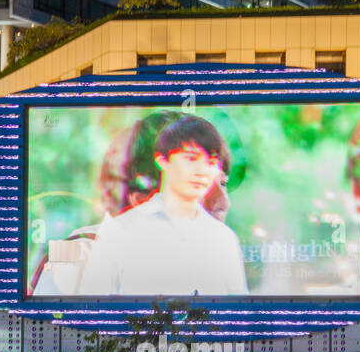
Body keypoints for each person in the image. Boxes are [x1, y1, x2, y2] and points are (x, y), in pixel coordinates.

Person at [78, 114, 248, 296]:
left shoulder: (223, 238)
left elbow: (239, 315)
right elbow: (92, 311)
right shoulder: (120, 230)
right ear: (162, 161)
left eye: (211, 163)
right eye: (191, 159)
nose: (202, 171)